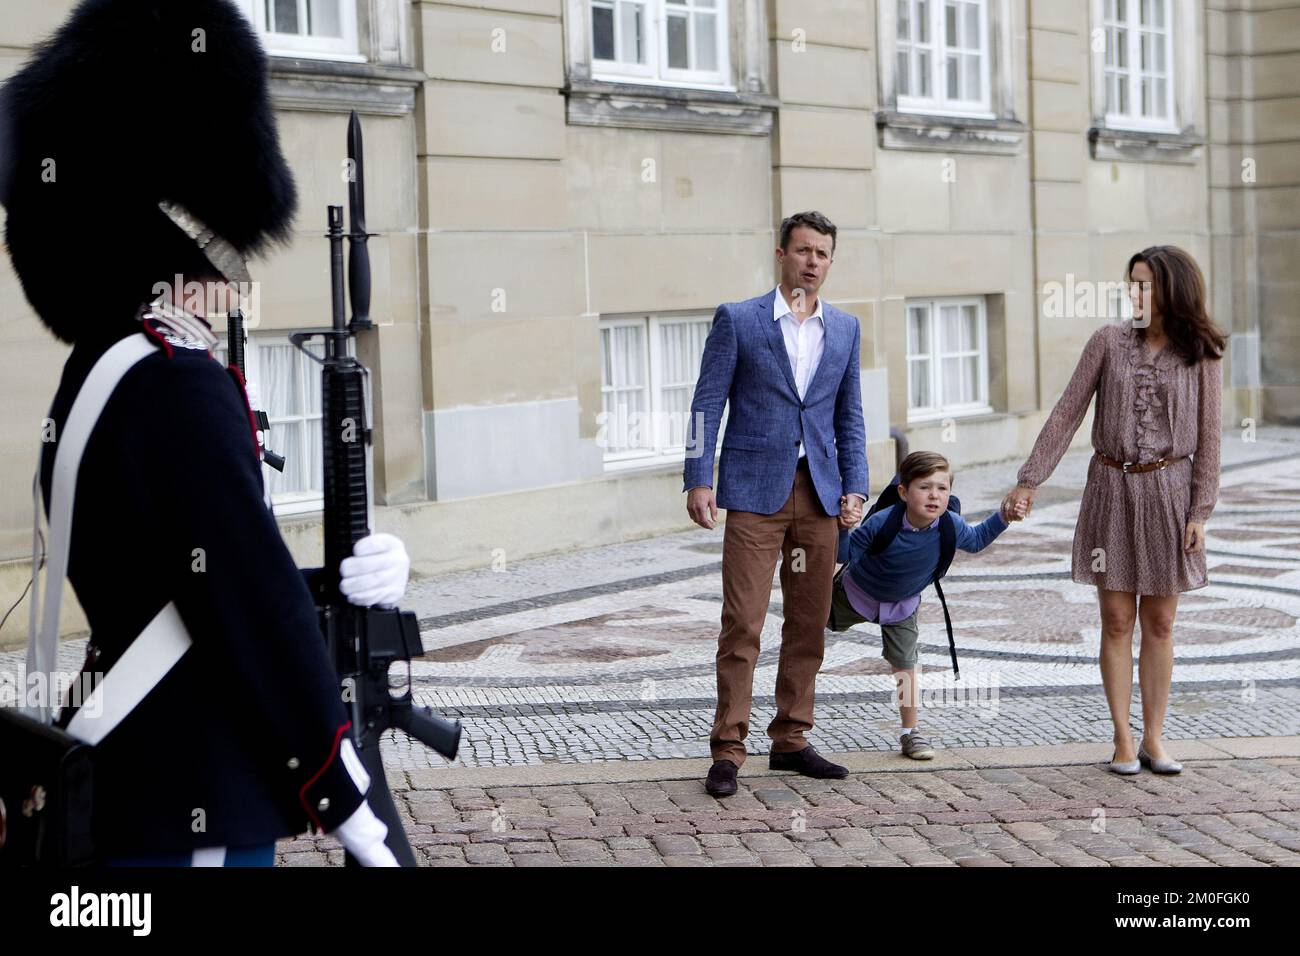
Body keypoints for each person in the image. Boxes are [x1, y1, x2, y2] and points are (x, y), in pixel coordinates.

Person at [2, 0, 413, 865]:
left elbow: (185, 574)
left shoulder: (101, 373)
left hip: (131, 772)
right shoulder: (174, 385)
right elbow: (241, 596)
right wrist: (342, 792)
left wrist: (336, 578)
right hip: (195, 797)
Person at [1002, 246, 1226, 775]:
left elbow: (1212, 438)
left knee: (1162, 621)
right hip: (1111, 490)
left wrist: (1201, 511)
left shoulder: (1203, 353)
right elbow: (1067, 412)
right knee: (1118, 617)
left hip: (1170, 493)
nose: (1135, 294)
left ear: (1173, 290)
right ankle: (1123, 738)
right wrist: (1029, 480)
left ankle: (1154, 738)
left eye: (1145, 284)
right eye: (1132, 283)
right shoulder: (1107, 341)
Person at [684, 211, 869, 797]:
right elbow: (703, 406)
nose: (813, 262)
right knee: (743, 622)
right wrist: (698, 476)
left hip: (819, 495)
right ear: (781, 254)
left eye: (823, 254)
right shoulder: (738, 320)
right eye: (804, 250)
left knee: (809, 621)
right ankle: (728, 749)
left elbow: (850, 416)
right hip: (753, 494)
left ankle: (791, 738)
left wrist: (855, 484)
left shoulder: (843, 329)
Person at [832, 452, 1023, 759]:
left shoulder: (949, 524)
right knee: (806, 633)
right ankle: (793, 721)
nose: (934, 495)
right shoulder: (882, 522)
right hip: (855, 594)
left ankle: (910, 733)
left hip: (902, 606)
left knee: (906, 666)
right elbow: (844, 555)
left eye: (942, 488)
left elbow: (975, 541)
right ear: (904, 492)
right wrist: (842, 526)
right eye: (924, 487)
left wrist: (1003, 516)